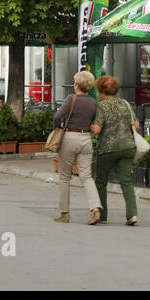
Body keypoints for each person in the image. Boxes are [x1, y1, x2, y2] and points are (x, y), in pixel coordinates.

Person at [91, 75, 140, 226]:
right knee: (126, 181)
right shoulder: (125, 104)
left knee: (100, 181)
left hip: (108, 149)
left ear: (102, 91)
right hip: (128, 147)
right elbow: (136, 126)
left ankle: (103, 215)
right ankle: (132, 215)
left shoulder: (102, 106)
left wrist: (89, 126)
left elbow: (97, 129)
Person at [53, 70, 100, 224]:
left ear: (77, 85)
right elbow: (95, 121)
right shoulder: (94, 102)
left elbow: (58, 116)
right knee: (86, 176)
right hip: (86, 139)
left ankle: (64, 213)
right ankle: (94, 208)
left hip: (70, 137)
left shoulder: (71, 98)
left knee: (65, 176)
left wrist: (58, 127)